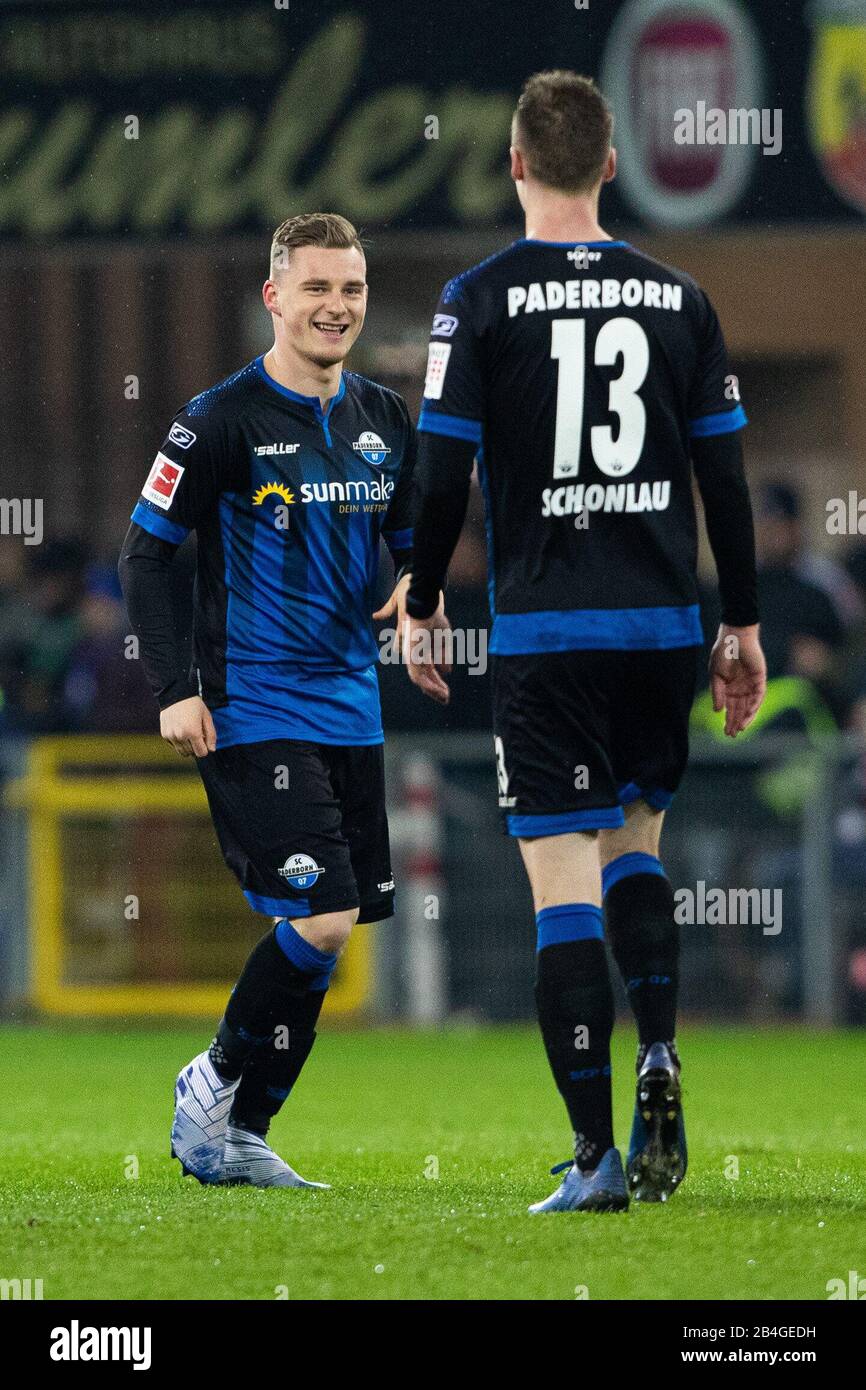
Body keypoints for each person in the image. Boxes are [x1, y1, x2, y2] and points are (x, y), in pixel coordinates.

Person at [402, 71, 767, 1212]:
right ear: (609, 164)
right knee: (636, 849)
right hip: (660, 626)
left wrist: (418, 597)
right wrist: (740, 621)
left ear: (515, 163)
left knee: (558, 888)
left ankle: (595, 1157)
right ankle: (659, 1046)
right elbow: (725, 477)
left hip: (546, 633)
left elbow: (441, 469)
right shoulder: (681, 298)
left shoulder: (475, 299)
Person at [119, 213, 417, 1188]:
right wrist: (174, 687)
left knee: (330, 931)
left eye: (352, 290)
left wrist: (416, 588)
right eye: (318, 289)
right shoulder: (217, 419)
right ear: (275, 297)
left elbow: (410, 527)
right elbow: (145, 551)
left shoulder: (380, 416)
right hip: (253, 702)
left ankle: (241, 1129)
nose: (336, 307)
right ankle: (209, 1077)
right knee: (323, 916)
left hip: (351, 707)